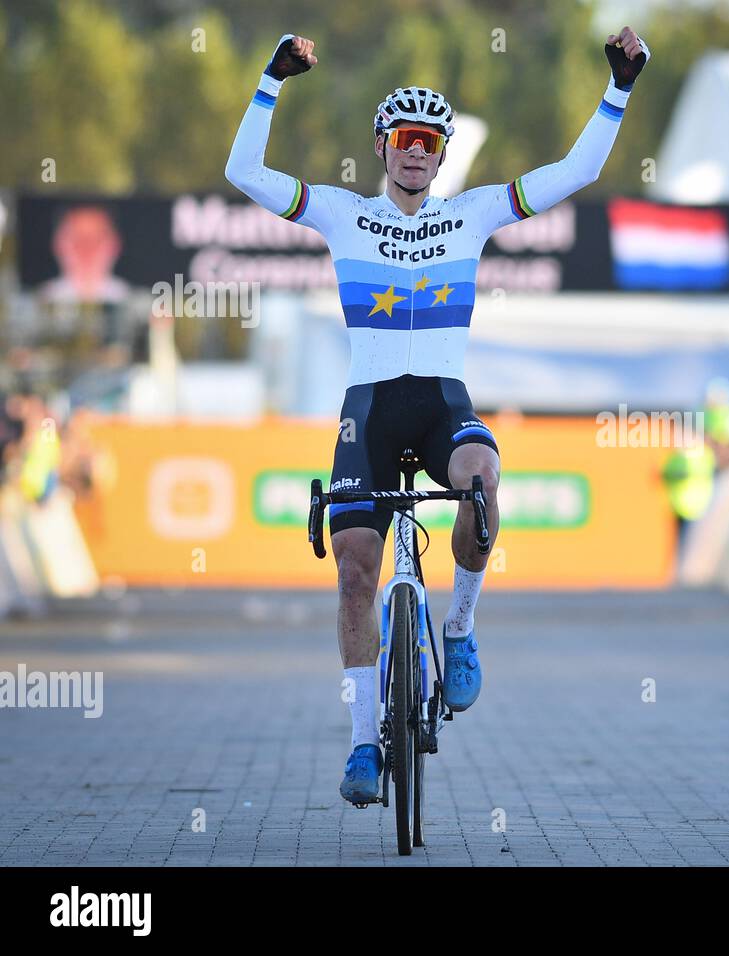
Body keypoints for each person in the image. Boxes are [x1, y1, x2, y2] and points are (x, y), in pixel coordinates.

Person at [225, 29, 651, 806]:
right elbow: (242, 172)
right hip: (371, 411)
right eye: (402, 139)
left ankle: (457, 627)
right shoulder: (344, 213)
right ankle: (361, 745)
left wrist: (619, 86)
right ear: (381, 146)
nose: (414, 152)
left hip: (442, 405)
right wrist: (271, 79)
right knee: (356, 571)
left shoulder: (473, 214)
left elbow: (578, 170)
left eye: (428, 141)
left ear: (442, 155)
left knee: (482, 482)